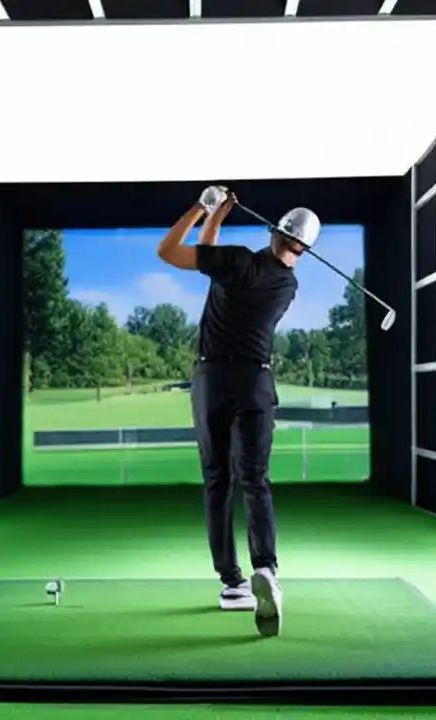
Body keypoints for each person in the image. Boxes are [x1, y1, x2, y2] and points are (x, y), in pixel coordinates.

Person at [156, 185, 321, 637]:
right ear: (301, 250)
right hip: (256, 383)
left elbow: (170, 252)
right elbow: (214, 261)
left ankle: (231, 582)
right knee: (255, 480)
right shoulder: (288, 285)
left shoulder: (236, 262)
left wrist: (202, 209)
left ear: (274, 234)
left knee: (217, 481)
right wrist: (217, 218)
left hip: (211, 381)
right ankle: (265, 567)